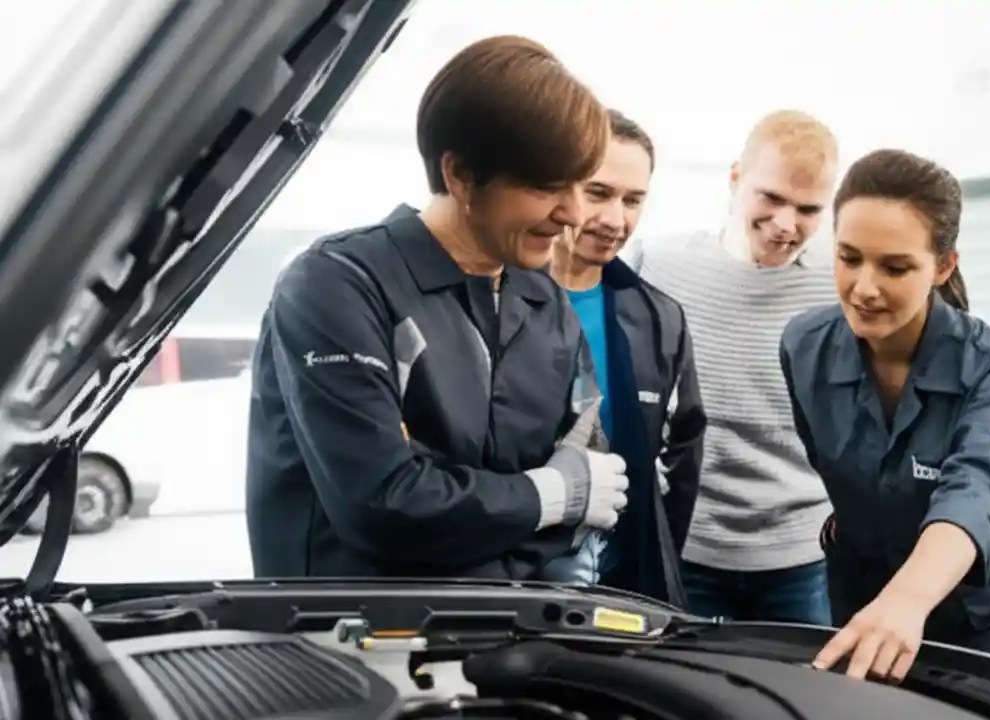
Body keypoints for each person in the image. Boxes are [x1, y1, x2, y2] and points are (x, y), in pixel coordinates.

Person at [244, 35, 631, 581]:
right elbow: (384, 506)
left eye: (577, 185)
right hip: (348, 641)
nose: (571, 213)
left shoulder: (545, 303)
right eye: (546, 186)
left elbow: (587, 496)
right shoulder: (337, 286)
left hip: (506, 638)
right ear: (461, 174)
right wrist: (546, 493)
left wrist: (504, 504)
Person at [781, 149, 990, 682]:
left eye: (895, 267)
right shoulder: (802, 346)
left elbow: (977, 488)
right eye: (849, 258)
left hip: (983, 619)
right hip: (865, 597)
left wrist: (907, 598)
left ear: (943, 266)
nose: (865, 287)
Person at [623, 110, 838, 624]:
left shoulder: (839, 287)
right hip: (688, 546)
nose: (786, 224)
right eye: (772, 198)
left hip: (801, 558)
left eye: (808, 208)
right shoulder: (655, 265)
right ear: (736, 178)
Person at [540, 109, 706, 607]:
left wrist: (656, 566)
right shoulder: (494, 300)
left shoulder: (659, 318)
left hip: (620, 583)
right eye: (599, 193)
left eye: (633, 200)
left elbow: (683, 454)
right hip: (510, 577)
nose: (617, 220)